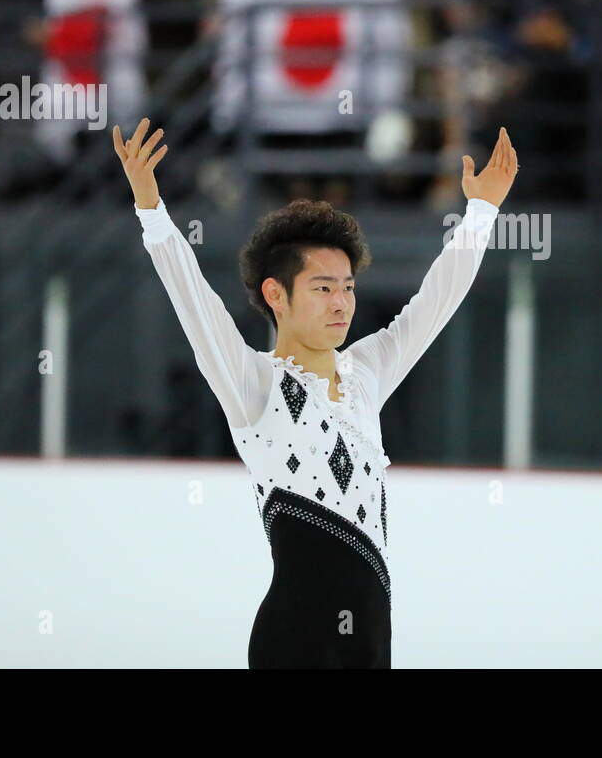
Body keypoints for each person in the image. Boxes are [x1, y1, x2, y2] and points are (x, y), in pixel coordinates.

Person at [112, 117, 518, 667]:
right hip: (295, 642)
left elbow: (435, 304)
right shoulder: (253, 384)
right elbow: (195, 304)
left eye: (347, 288)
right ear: (275, 294)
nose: (341, 303)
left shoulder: (366, 374)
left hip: (373, 641)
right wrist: (152, 213)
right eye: (323, 287)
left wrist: (481, 213)